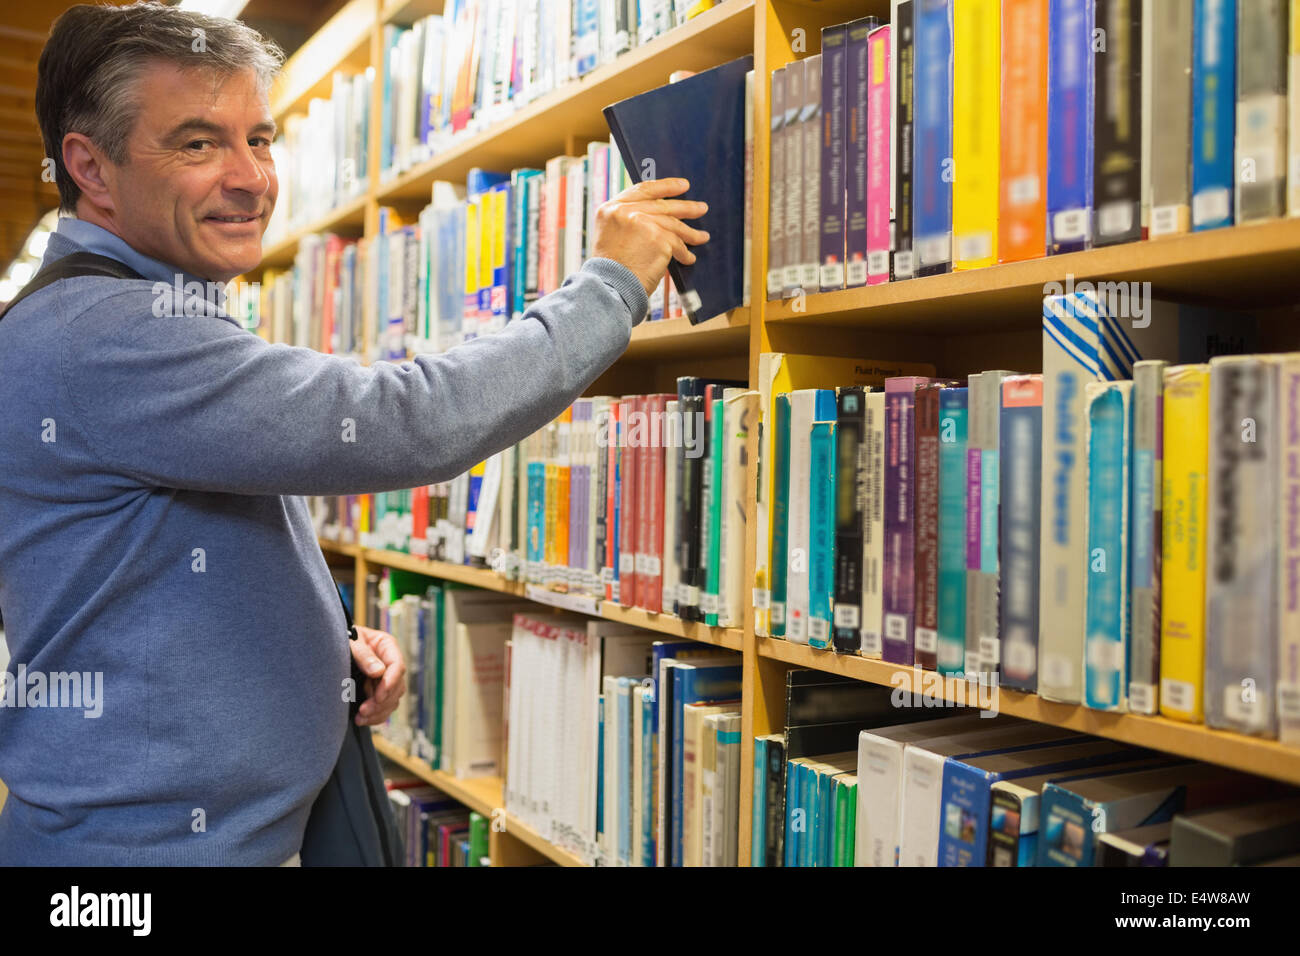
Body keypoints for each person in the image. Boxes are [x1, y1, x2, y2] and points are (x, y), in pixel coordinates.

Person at [0, 1, 708, 865]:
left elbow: (154, 559)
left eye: (259, 139)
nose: (251, 177)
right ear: (91, 167)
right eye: (196, 143)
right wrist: (608, 287)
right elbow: (403, 421)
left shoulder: (139, 314)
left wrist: (317, 648)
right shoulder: (106, 333)